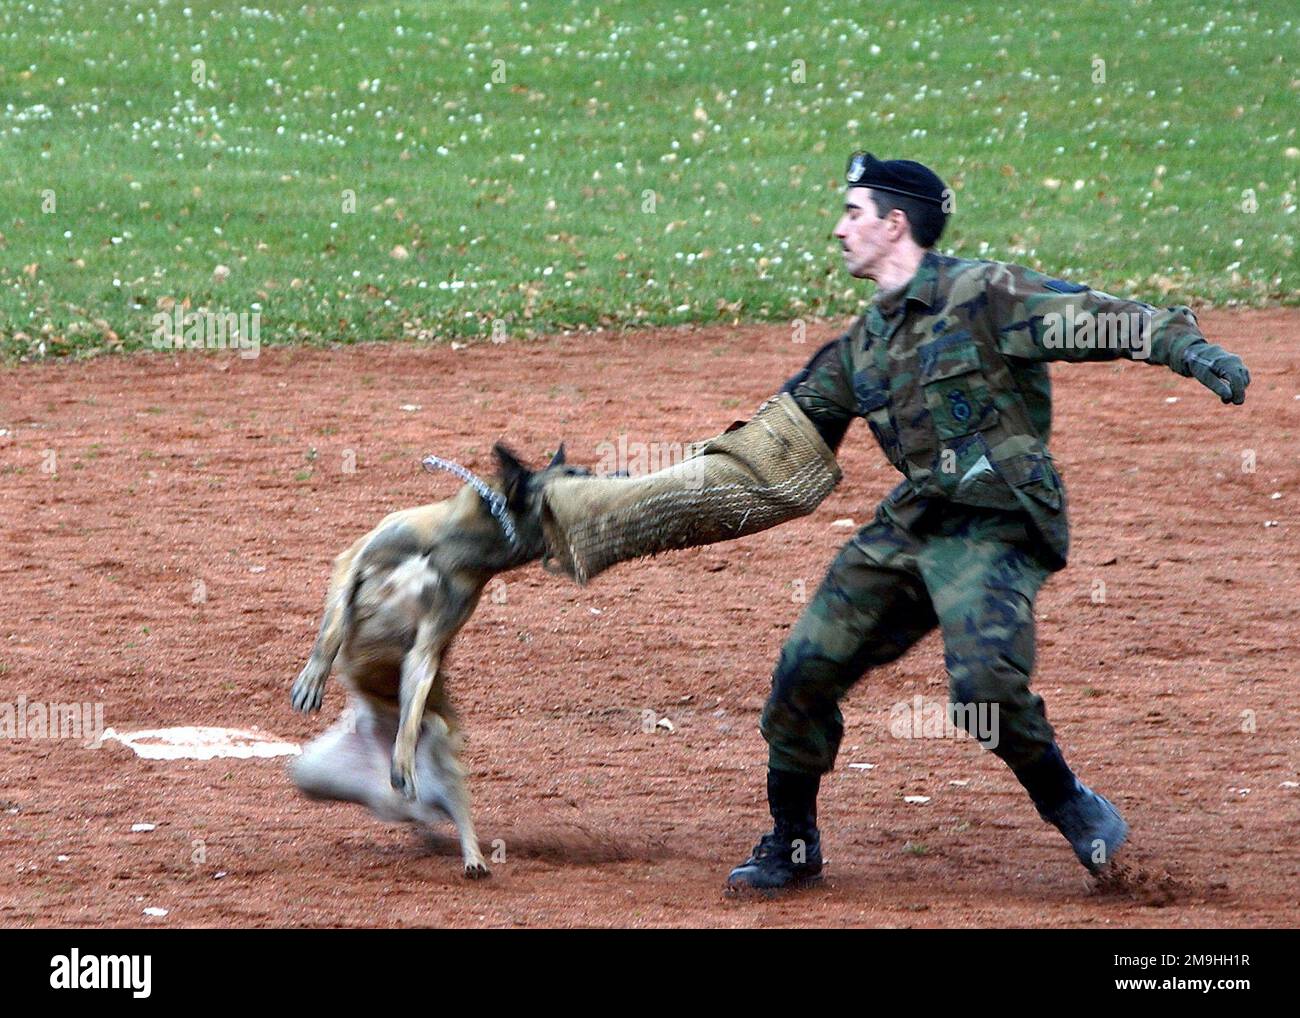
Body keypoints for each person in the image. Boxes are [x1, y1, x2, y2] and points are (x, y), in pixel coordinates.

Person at [538, 151, 1251, 893]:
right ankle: (793, 842)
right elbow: (756, 457)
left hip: (999, 524)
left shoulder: (984, 294)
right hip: (913, 525)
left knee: (983, 690)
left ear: (895, 223)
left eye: (853, 213)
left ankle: (1073, 807)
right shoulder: (860, 347)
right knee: (803, 673)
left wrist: (1188, 349)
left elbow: (1099, 318)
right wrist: (604, 504)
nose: (839, 229)